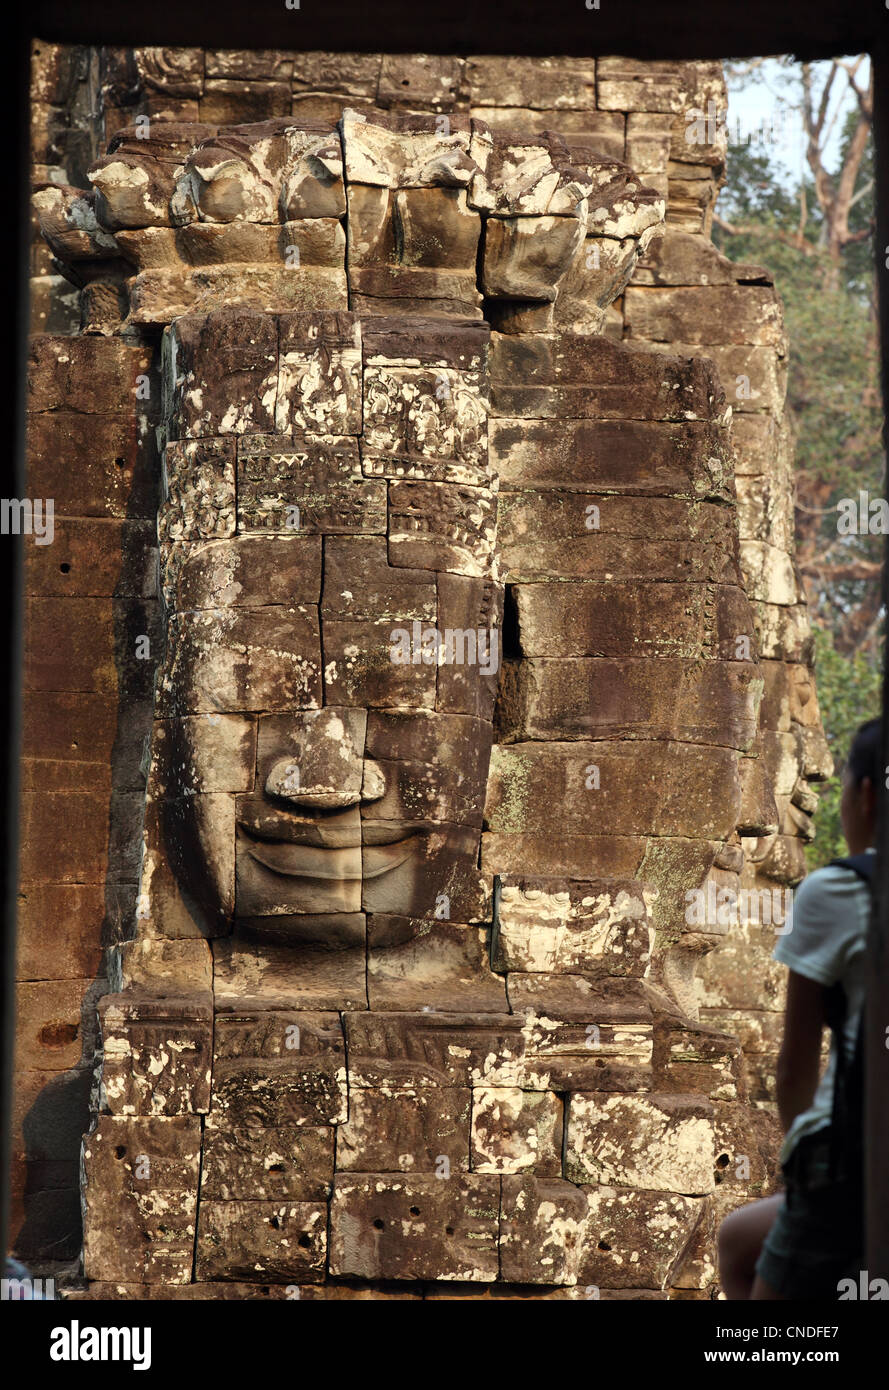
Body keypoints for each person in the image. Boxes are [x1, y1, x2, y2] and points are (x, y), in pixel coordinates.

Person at [717, 716, 879, 1300]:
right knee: (740, 1237)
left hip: (854, 1167)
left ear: (865, 795)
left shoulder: (845, 889)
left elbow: (795, 1066)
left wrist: (803, 1171)